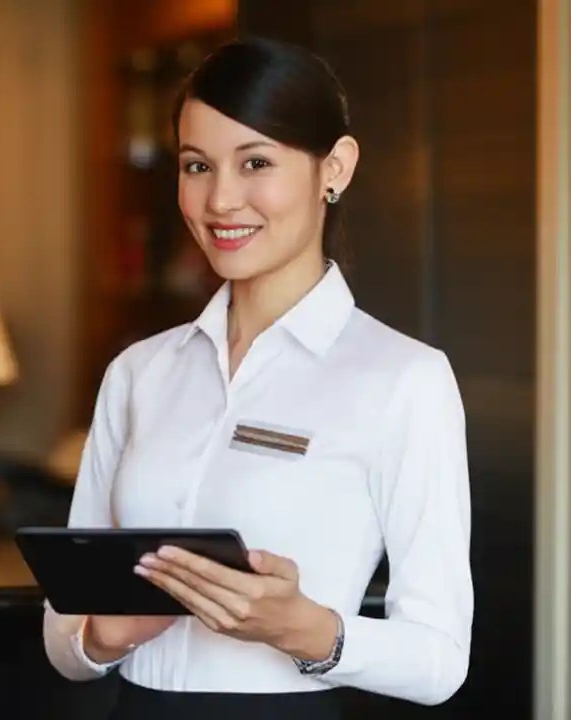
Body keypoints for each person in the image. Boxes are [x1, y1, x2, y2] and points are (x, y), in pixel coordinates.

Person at [43, 37, 472, 719]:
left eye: (256, 163)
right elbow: (63, 636)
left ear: (335, 168)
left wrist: (303, 630)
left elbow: (440, 660)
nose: (220, 199)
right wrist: (103, 636)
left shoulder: (405, 379)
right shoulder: (139, 372)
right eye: (197, 166)